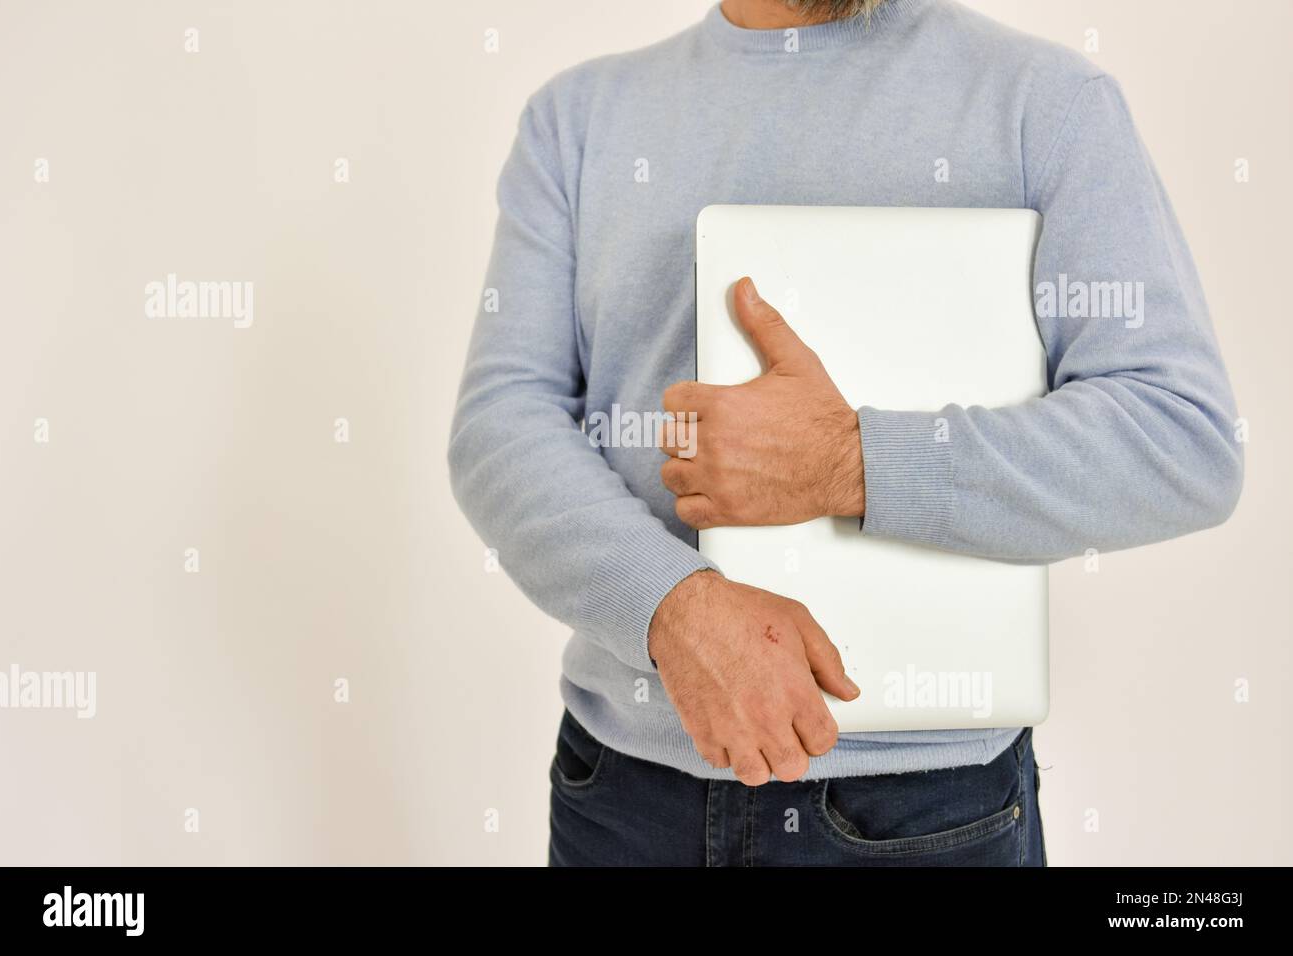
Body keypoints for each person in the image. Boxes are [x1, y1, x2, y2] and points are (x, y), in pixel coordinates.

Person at [448, 0, 1243, 866]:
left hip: (931, 814)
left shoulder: (1049, 103)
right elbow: (502, 422)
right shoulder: (575, 119)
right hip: (624, 799)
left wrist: (849, 462)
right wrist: (675, 610)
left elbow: (1181, 435)